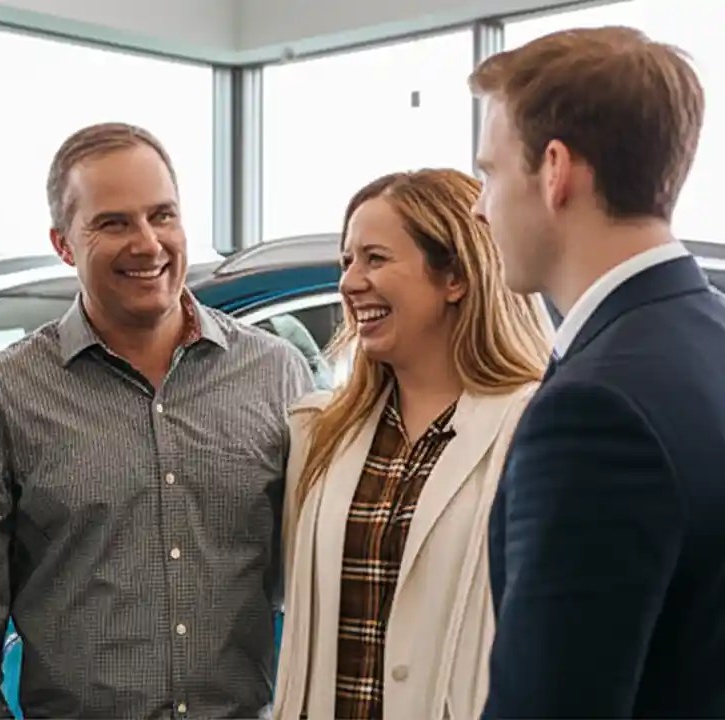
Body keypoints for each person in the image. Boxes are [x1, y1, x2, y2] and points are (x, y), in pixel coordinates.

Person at [0, 122, 313, 718]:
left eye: (163, 216)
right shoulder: (3, 395)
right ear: (63, 243)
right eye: (113, 222)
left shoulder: (274, 374)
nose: (148, 243)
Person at [471, 26, 725, 718]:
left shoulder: (594, 411)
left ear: (554, 171)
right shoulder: (709, 336)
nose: (479, 204)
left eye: (489, 173)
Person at [272, 169, 551, 720]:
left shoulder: (534, 426)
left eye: (375, 259)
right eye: (347, 261)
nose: (350, 283)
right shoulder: (320, 431)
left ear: (455, 277)